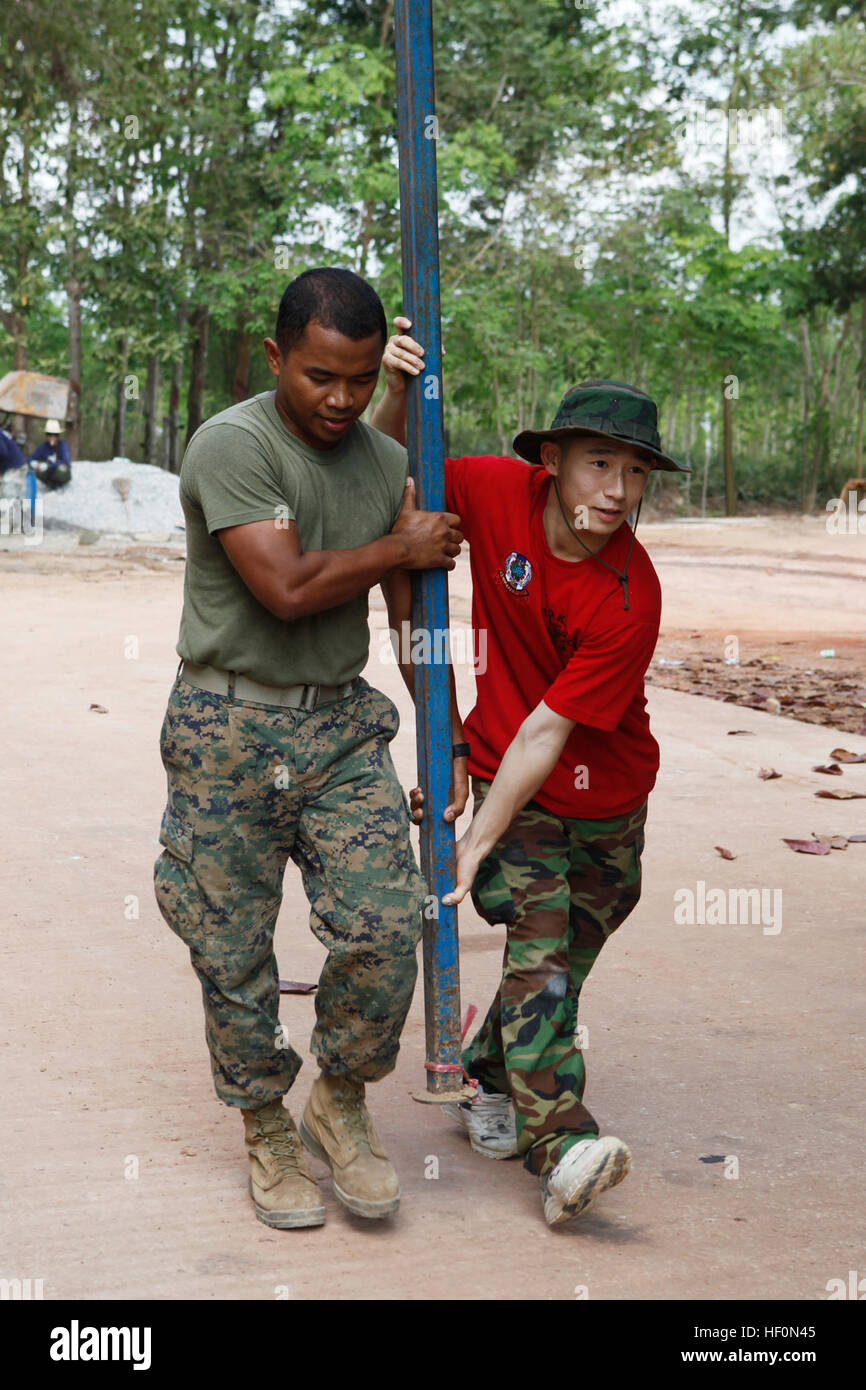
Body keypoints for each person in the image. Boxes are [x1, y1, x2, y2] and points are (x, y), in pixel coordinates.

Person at [153, 270, 467, 1230]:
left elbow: (407, 612)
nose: (341, 400)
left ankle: (339, 1099)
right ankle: (265, 1125)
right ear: (277, 356)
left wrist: (442, 727)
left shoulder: (381, 462)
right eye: (322, 377)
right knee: (232, 950)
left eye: (362, 381)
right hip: (226, 727)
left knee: (382, 924)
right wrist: (402, 546)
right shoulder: (231, 445)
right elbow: (286, 587)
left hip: (339, 725)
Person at [372, 318, 689, 1226]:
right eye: (599, 464)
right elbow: (386, 482)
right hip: (524, 791)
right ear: (552, 458)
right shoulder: (492, 487)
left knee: (558, 971)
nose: (617, 491)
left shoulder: (630, 596)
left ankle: (488, 1075)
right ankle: (566, 1150)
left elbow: (556, 727)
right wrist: (395, 390)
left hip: (612, 800)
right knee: (542, 953)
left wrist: (477, 829)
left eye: (635, 474)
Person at [28, 419, 71, 489]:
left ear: (58, 435)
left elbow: (66, 461)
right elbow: (31, 458)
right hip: (48, 475)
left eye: (55, 435)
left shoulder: (63, 445)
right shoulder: (43, 447)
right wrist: (34, 463)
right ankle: (49, 484)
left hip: (58, 472)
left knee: (61, 470)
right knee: (36, 468)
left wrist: (48, 465)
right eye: (49, 434)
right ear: (46, 435)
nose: (52, 437)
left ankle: (59, 485)